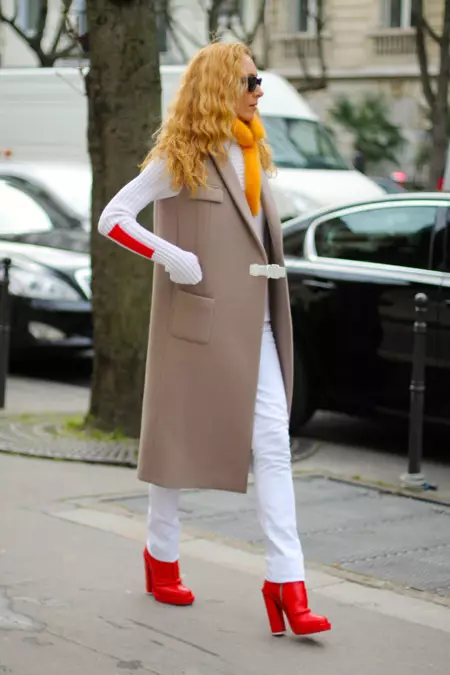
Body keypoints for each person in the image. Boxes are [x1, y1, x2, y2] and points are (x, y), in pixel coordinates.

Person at [98, 41, 331, 639]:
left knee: (274, 444)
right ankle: (162, 555)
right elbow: (114, 217)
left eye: (261, 81)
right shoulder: (180, 156)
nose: (260, 90)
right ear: (220, 85)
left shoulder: (255, 153)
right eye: (251, 80)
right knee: (175, 450)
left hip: (256, 324)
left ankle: (287, 582)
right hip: (198, 323)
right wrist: (171, 255)